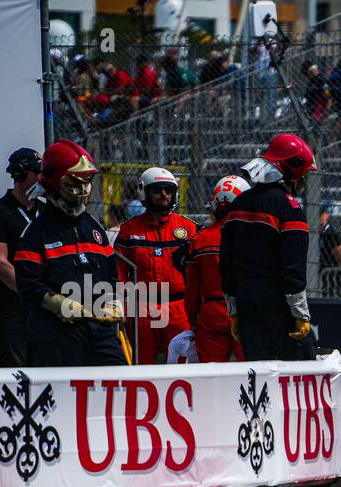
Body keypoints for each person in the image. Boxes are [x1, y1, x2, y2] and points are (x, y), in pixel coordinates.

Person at [14, 139, 128, 367]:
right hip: (54, 332)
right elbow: (28, 285)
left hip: (99, 329)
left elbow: (111, 276)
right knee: (62, 396)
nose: (84, 188)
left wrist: (115, 302)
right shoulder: (36, 232)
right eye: (76, 181)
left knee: (121, 385)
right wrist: (59, 304)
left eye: (87, 180)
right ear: (56, 180)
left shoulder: (94, 228)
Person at [221, 133, 316, 361]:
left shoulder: (238, 204)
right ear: (292, 171)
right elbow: (293, 268)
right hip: (277, 299)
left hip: (245, 298)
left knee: (258, 366)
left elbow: (226, 264)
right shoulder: (289, 208)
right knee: (299, 367)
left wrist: (233, 310)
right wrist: (300, 314)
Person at [114, 166, 197, 364]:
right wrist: (121, 308)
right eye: (157, 190)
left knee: (182, 366)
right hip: (141, 308)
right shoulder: (128, 230)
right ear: (144, 192)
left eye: (168, 190)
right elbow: (118, 273)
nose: (163, 194)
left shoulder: (188, 228)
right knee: (141, 365)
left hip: (179, 307)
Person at [0, 148, 41, 366]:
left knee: (50, 372)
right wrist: (37, 294)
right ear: (21, 173)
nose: (43, 177)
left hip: (45, 310)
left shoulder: (47, 209)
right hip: (13, 308)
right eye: (38, 171)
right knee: (15, 374)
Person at [183, 175, 250, 362]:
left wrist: (194, 321)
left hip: (211, 313)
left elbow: (192, 289)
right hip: (245, 311)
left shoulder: (199, 239)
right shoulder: (253, 238)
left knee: (210, 374)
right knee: (252, 372)